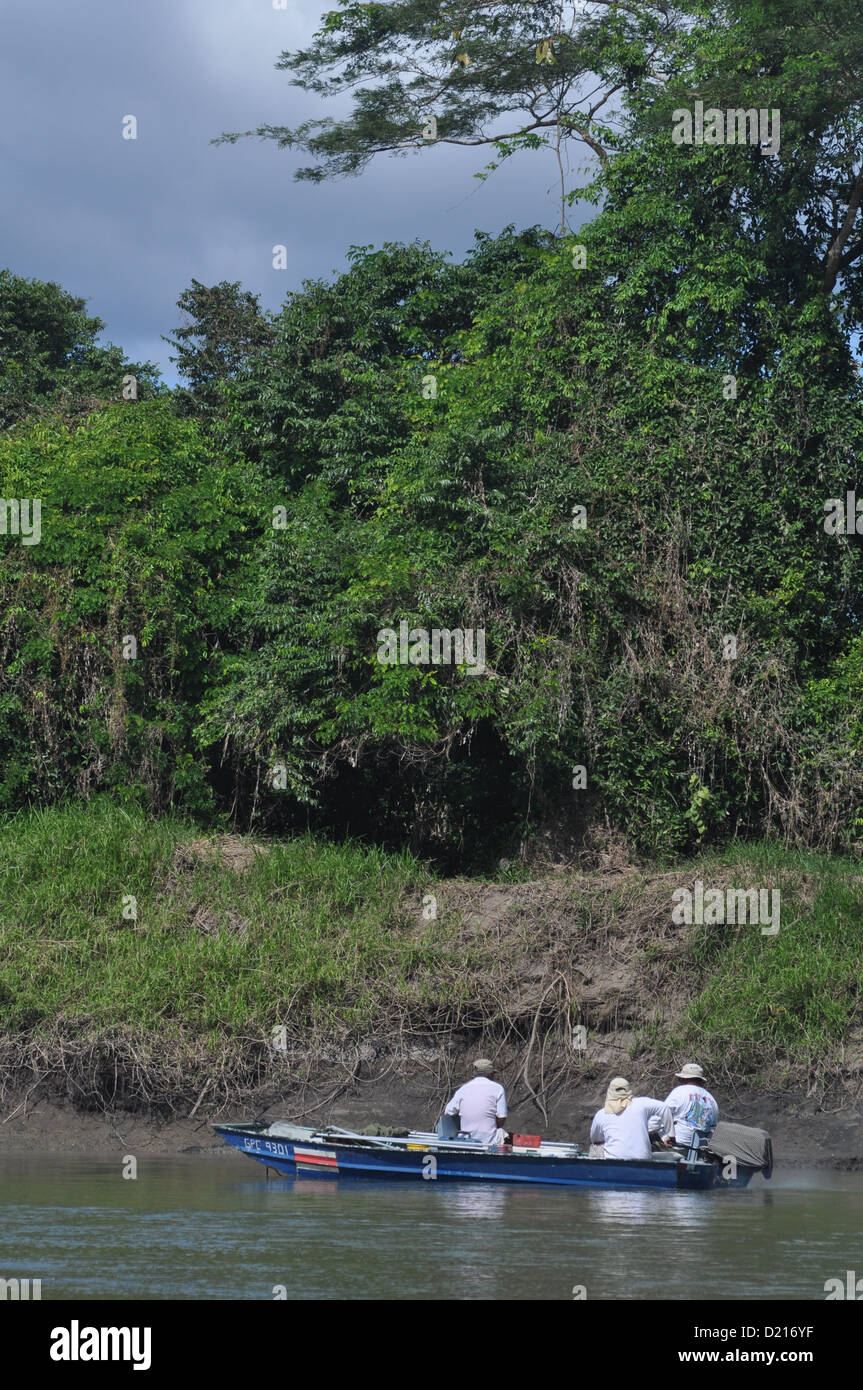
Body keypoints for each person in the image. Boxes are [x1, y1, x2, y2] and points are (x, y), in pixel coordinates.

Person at [589, 1078, 672, 1160]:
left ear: (609, 1092)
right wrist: (671, 1134)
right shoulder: (641, 1103)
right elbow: (664, 1108)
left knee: (595, 1147)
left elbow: (595, 1139)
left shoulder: (601, 1114)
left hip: (613, 1160)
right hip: (643, 1159)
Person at [443, 1058, 508, 1144]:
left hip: (466, 1140)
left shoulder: (463, 1089)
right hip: (488, 1141)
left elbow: (448, 1112)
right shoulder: (498, 1088)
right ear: (490, 1074)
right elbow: (501, 1118)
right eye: (493, 1074)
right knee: (503, 1134)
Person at [660, 1063, 719, 1152]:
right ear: (701, 1080)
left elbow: (661, 1114)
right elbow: (712, 1129)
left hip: (677, 1145)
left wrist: (663, 1136)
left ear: (683, 1078)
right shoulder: (712, 1100)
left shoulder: (679, 1091)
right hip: (699, 1150)